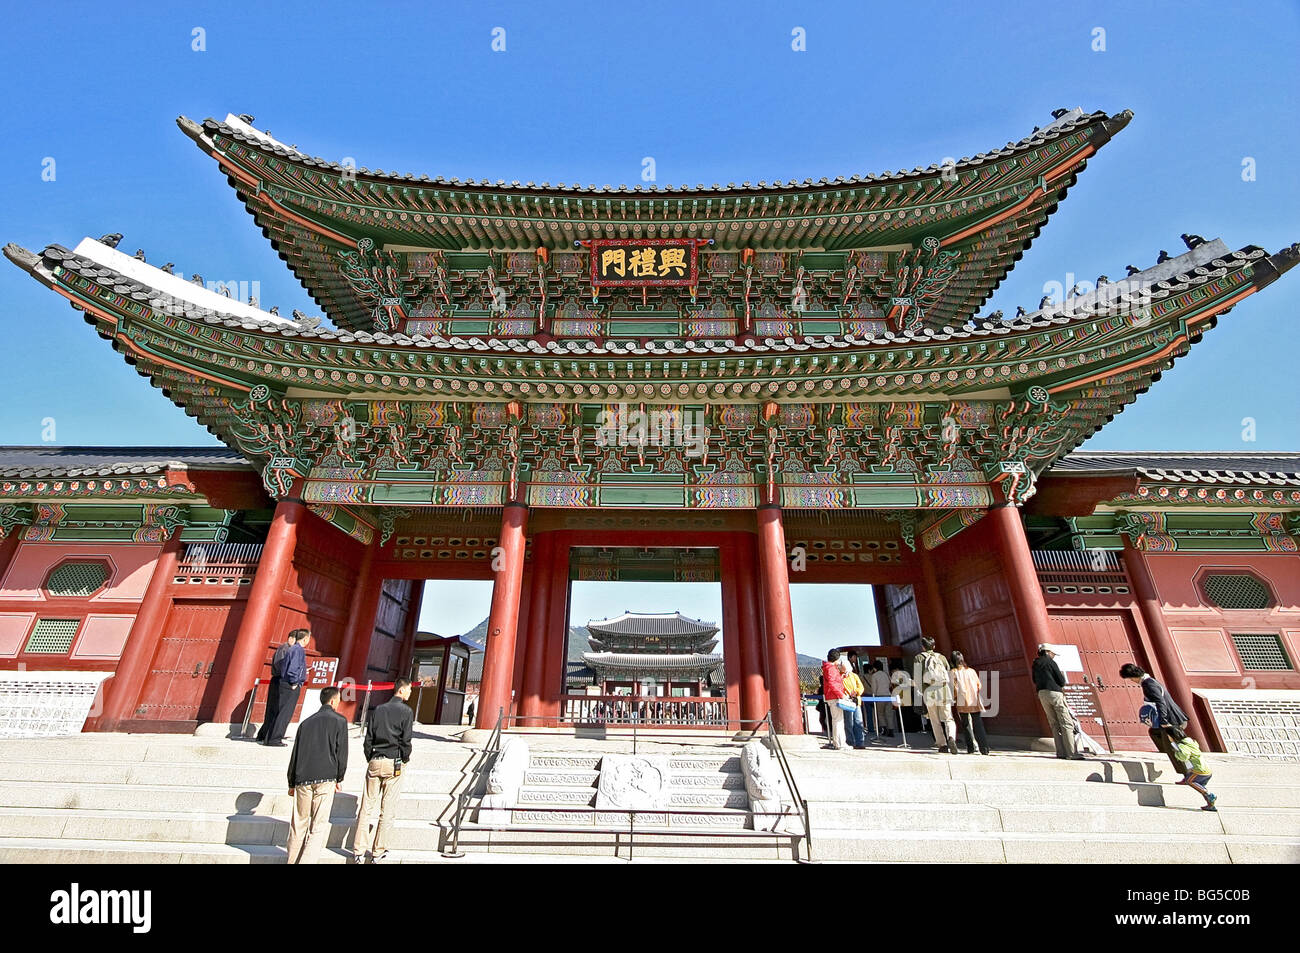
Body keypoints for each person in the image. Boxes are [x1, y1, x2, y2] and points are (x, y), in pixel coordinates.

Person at [350, 677, 415, 864]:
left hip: (375, 759)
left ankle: (358, 851)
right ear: (401, 691)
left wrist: (370, 757)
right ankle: (378, 852)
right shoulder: (406, 712)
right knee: (387, 809)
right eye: (409, 689)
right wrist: (404, 758)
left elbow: (368, 738)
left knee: (366, 807)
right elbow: (406, 740)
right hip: (394, 762)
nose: (410, 693)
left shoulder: (378, 710)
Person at [285, 685, 348, 864]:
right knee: (318, 826)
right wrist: (339, 777)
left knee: (298, 824)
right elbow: (341, 752)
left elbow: (295, 753)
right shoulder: (340, 721)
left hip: (302, 777)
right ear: (334, 700)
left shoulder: (305, 723)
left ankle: (292, 861)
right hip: (326, 776)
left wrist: (291, 782)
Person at [1120, 663, 1191, 775]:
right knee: (1154, 732)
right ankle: (1165, 753)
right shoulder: (1151, 681)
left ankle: (1188, 774)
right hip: (1173, 718)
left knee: (1173, 748)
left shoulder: (1148, 684)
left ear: (1133, 677)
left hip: (1171, 720)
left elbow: (1160, 702)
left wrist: (1163, 721)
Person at [259, 628, 310, 747]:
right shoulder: (297, 650)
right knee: (284, 712)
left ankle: (269, 737)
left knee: (279, 711)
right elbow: (292, 669)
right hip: (289, 684)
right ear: (305, 638)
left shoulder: (291, 649)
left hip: (284, 682)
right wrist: (294, 682)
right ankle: (274, 738)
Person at [1033, 644, 1081, 760]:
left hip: (1042, 693)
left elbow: (1034, 679)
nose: (1053, 656)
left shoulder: (1035, 663)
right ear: (1048, 652)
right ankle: (1071, 752)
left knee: (1054, 724)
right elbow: (1061, 680)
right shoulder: (1051, 662)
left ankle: (1060, 752)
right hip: (1054, 692)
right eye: (1053, 653)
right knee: (1066, 722)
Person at [917, 638, 958, 755]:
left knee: (935, 720)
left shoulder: (919, 658)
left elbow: (918, 678)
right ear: (934, 646)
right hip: (944, 690)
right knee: (948, 718)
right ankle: (951, 737)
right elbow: (949, 675)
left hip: (929, 691)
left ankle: (942, 744)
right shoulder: (942, 658)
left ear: (923, 647)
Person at [949, 650, 990, 755]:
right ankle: (984, 748)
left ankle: (970, 748)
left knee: (966, 724)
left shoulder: (953, 672)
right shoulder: (971, 671)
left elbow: (953, 688)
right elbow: (979, 685)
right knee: (978, 724)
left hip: (962, 700)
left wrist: (954, 697)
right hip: (974, 699)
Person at [821, 649, 849, 750]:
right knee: (839, 720)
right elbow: (833, 683)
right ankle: (841, 743)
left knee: (836, 720)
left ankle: (838, 742)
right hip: (834, 696)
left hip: (831, 696)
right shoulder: (832, 668)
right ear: (837, 659)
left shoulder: (827, 667)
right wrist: (841, 695)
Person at [840, 656, 866, 750]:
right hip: (847, 701)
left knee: (858, 721)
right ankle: (850, 741)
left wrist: (856, 692)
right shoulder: (840, 677)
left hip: (856, 701)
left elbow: (861, 687)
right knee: (849, 723)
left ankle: (860, 742)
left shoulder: (854, 676)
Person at [869, 660, 895, 737]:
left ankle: (884, 729)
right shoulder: (886, 674)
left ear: (874, 668)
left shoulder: (874, 676)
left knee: (880, 714)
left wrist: (873, 697)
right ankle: (891, 730)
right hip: (888, 696)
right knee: (889, 714)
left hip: (879, 696)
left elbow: (874, 688)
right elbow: (890, 685)